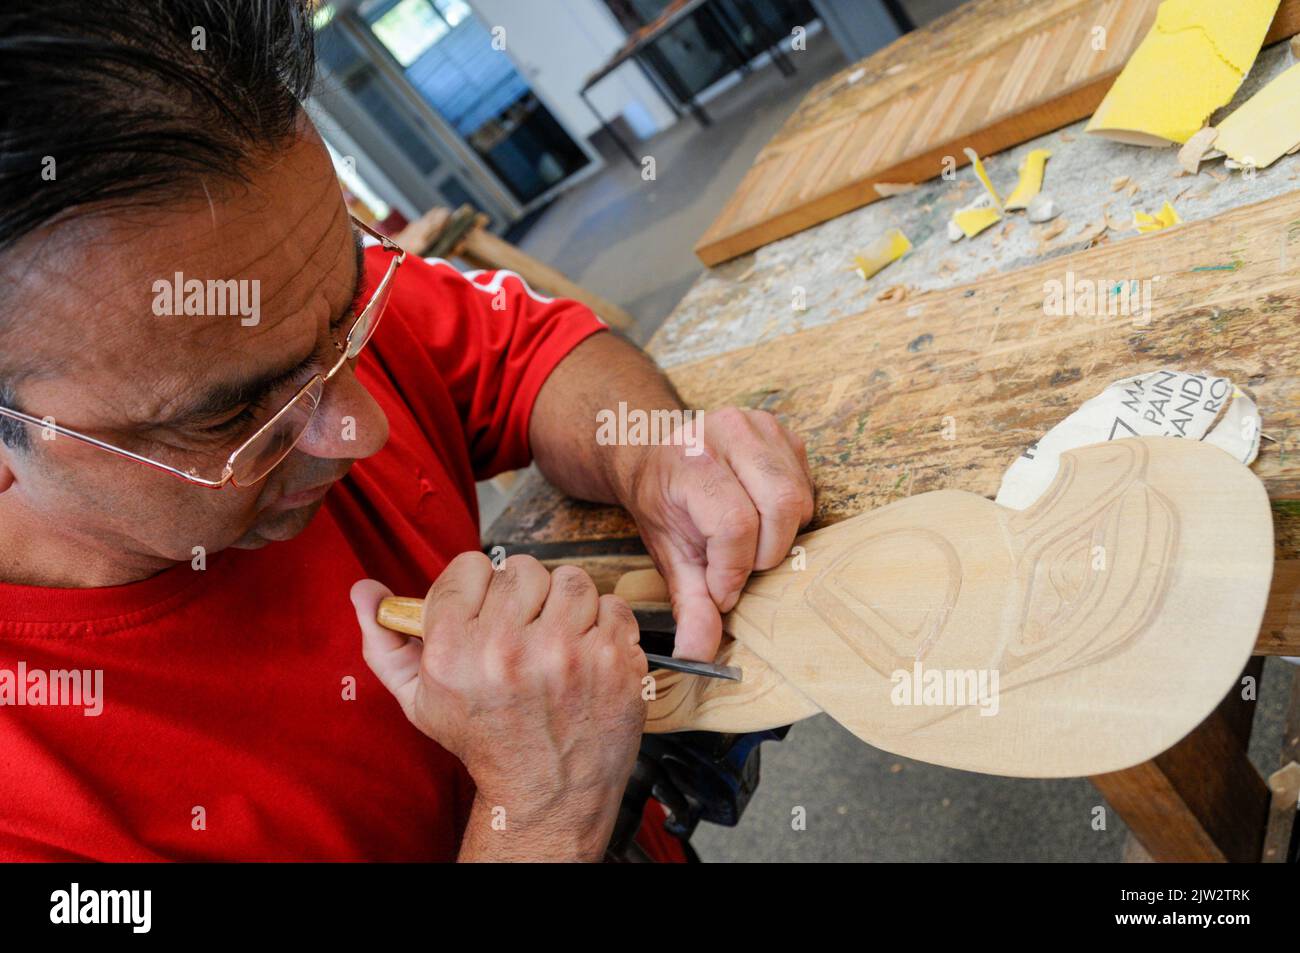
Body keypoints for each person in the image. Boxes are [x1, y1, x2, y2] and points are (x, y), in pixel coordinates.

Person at [0, 0, 814, 861]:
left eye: (352, 318)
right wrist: (541, 809)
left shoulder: (275, 304)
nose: (362, 426)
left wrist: (651, 452)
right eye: (239, 415)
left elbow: (531, 354)